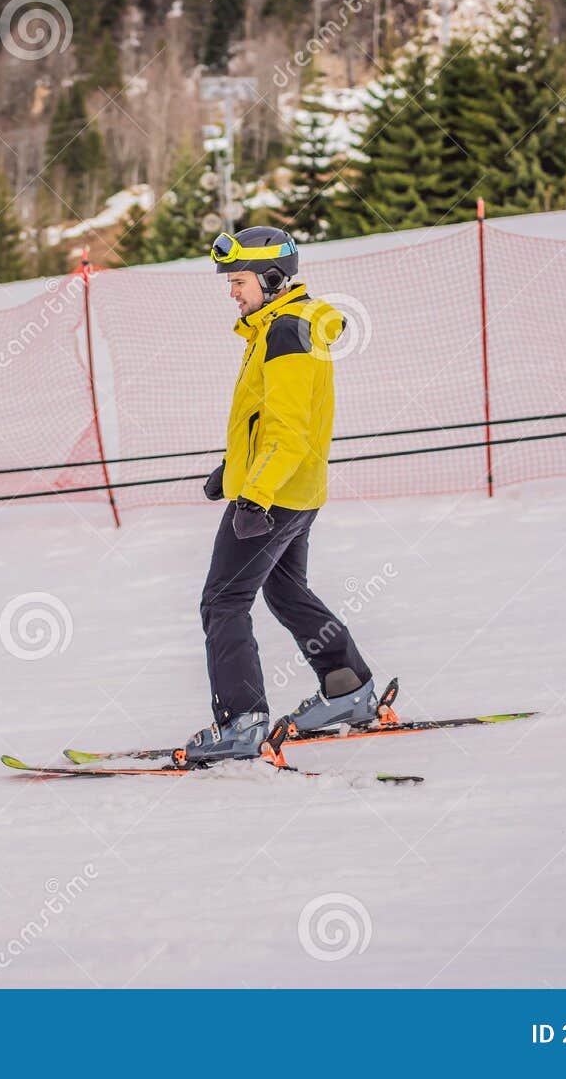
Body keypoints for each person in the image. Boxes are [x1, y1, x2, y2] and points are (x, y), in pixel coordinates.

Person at [181, 226, 381, 762]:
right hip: (298, 489)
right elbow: (266, 418)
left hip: (274, 497)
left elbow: (288, 430)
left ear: (272, 279)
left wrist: (254, 496)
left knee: (223, 602)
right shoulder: (278, 327)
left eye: (239, 280)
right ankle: (348, 688)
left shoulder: (284, 333)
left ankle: (242, 724)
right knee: (286, 592)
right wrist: (232, 469)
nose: (231, 291)